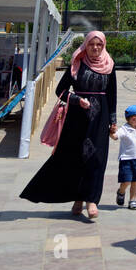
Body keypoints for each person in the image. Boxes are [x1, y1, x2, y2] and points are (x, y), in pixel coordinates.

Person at [19, 31, 118, 220]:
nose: (95, 48)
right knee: (75, 158)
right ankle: (78, 199)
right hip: (77, 118)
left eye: (99, 44)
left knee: (96, 158)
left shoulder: (110, 66)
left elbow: (112, 95)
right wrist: (76, 99)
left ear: (103, 45)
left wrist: (113, 121)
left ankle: (91, 200)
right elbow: (60, 91)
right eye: (91, 44)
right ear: (86, 45)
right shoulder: (77, 64)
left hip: (100, 119)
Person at [111, 105, 136, 209]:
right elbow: (115, 137)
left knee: (135, 181)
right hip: (126, 160)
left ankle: (132, 200)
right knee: (126, 181)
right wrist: (111, 131)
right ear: (133, 118)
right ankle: (121, 191)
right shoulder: (124, 129)